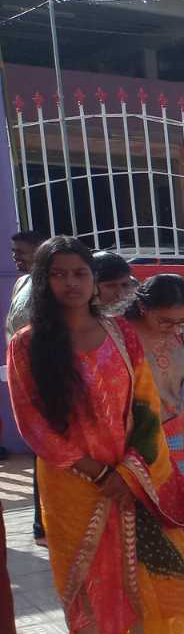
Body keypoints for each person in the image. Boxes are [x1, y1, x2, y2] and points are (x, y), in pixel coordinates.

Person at [7, 236, 184, 634]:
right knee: (90, 587)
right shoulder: (28, 344)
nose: (71, 283)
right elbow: (33, 423)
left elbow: (145, 408)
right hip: (74, 488)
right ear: (43, 281)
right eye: (59, 274)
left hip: (135, 479)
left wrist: (131, 469)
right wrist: (99, 472)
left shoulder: (122, 335)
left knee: (144, 577)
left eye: (79, 273)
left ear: (94, 280)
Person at [125, 274, 184, 606]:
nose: (175, 329)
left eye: (182, 321)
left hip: (181, 435)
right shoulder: (121, 336)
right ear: (142, 307)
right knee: (148, 516)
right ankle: (156, 590)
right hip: (137, 441)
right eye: (165, 321)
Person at [9, 230, 46, 540]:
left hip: (44, 377)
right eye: (14, 251)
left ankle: (43, 522)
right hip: (22, 376)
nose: (15, 257)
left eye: (22, 251)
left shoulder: (50, 286)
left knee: (45, 449)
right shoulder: (22, 283)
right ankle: (42, 522)